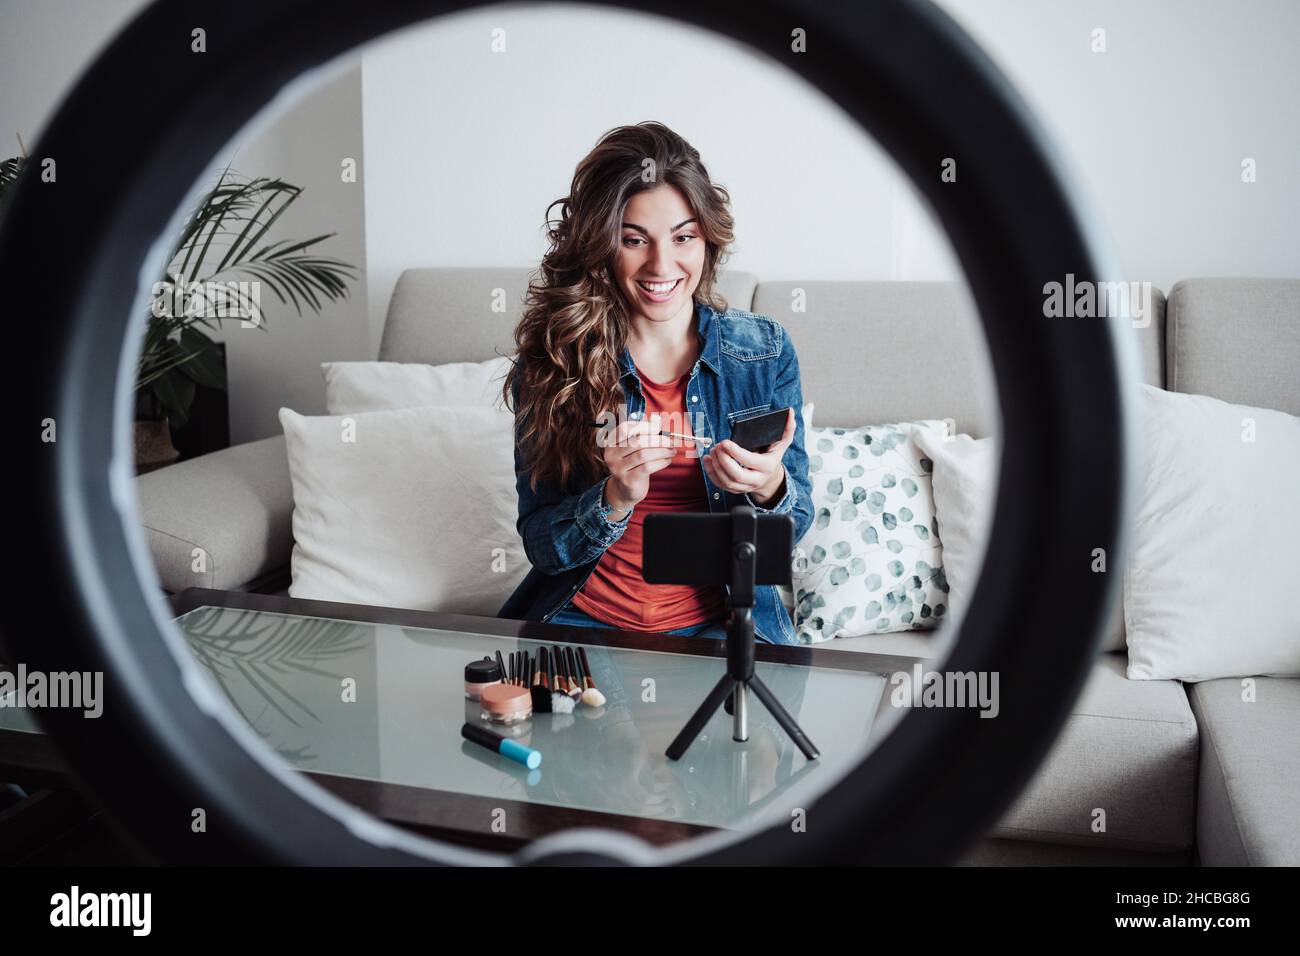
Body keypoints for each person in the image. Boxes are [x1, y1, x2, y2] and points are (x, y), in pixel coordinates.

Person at [497, 121, 813, 644]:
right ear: (602, 247)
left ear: (707, 240)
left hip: (722, 628)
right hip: (582, 621)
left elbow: (795, 523)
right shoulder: (555, 360)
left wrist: (767, 486)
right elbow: (542, 545)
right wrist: (614, 496)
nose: (661, 265)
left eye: (683, 237)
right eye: (633, 240)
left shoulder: (765, 352)